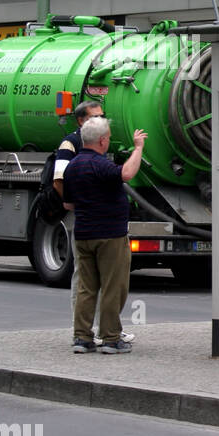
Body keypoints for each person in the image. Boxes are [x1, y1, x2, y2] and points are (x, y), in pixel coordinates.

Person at [63, 117, 147, 353]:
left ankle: (82, 337)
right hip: (110, 235)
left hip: (83, 234)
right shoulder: (100, 165)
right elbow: (127, 173)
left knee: (86, 288)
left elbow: (68, 204)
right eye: (108, 137)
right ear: (102, 141)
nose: (108, 141)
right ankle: (110, 338)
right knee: (113, 287)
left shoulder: (73, 167)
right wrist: (138, 147)